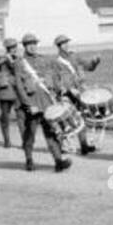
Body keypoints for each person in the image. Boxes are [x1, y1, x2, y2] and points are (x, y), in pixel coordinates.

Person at [14, 34, 70, 173]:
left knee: (51, 133)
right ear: (25, 46)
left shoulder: (43, 60)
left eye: (34, 43)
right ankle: (29, 159)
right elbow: (19, 86)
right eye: (29, 44)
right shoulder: (20, 63)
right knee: (30, 134)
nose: (32, 46)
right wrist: (28, 104)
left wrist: (58, 90)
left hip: (46, 102)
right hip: (32, 104)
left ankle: (58, 161)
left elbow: (51, 78)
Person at [53, 34, 99, 155]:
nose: (67, 45)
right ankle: (63, 146)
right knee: (67, 120)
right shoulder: (56, 61)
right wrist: (67, 90)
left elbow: (88, 67)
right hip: (67, 94)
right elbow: (56, 81)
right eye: (64, 44)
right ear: (59, 46)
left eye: (67, 42)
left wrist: (95, 62)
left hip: (79, 91)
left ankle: (84, 146)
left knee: (82, 118)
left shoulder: (75, 56)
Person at [0, 38, 23, 149]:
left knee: (21, 117)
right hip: (5, 91)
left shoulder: (19, 59)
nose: (14, 50)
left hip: (17, 91)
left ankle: (24, 140)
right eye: (11, 48)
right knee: (5, 117)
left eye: (14, 48)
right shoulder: (1, 60)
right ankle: (7, 140)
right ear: (7, 49)